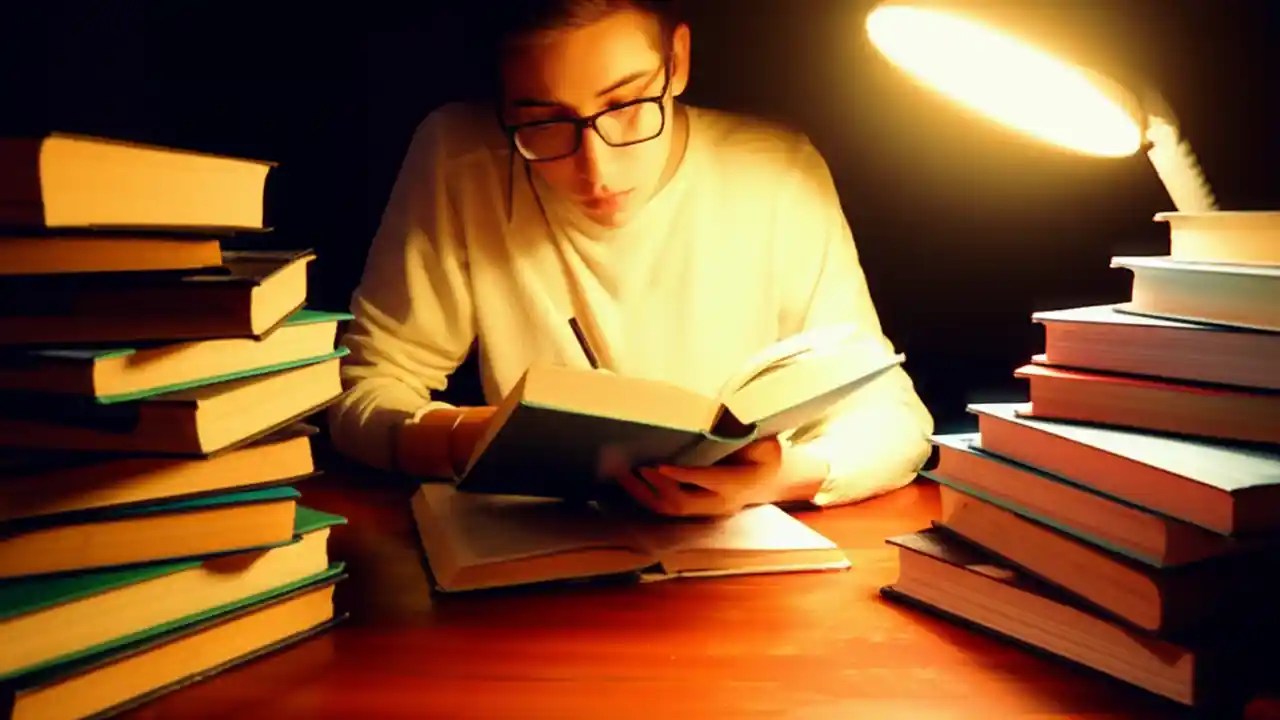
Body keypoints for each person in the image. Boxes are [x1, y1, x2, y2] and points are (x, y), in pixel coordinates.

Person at [328, 0, 934, 516]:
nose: (596, 167)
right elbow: (364, 389)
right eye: (542, 122)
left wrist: (778, 479)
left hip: (748, 578)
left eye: (624, 105)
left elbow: (892, 414)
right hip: (540, 571)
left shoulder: (775, 171)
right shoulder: (462, 159)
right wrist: (470, 439)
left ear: (679, 61)